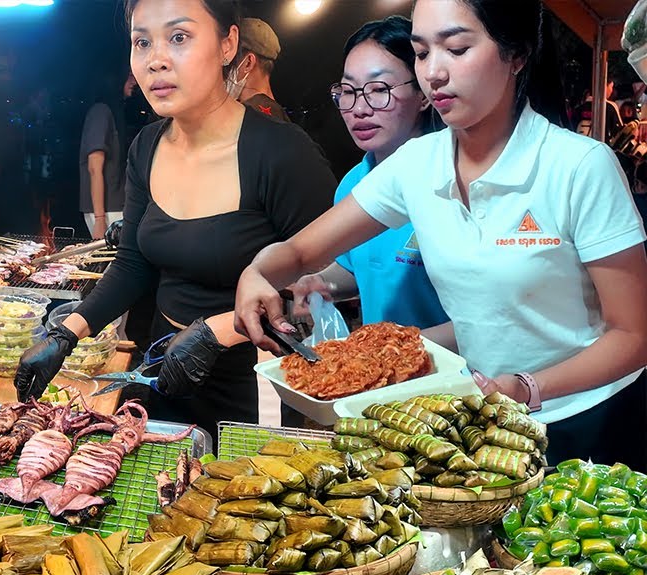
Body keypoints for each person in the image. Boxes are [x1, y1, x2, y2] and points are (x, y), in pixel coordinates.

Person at [235, 0, 647, 468]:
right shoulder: (417, 165)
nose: (434, 72)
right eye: (421, 52)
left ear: (516, 55)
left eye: (456, 48)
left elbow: (633, 335)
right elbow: (300, 251)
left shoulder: (578, 167)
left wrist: (530, 386)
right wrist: (256, 272)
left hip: (590, 421)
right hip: (487, 419)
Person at [15, 0, 336, 431]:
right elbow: (132, 265)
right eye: (142, 42)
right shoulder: (146, 147)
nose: (156, 60)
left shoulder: (282, 153)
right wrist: (65, 334)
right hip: (161, 369)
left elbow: (317, 287)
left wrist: (214, 333)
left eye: (179, 37)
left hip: (253, 382)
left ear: (228, 44)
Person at [289, 16, 450, 330]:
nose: (359, 108)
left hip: (457, 373)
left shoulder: (452, 180)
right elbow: (359, 267)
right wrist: (321, 283)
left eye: (379, 89)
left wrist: (395, 351)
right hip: (386, 373)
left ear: (423, 95)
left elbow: (492, 315)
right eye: (349, 90)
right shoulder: (353, 184)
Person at [79, 72, 132, 240]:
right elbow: (94, 167)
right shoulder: (101, 111)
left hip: (114, 208)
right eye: (129, 75)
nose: (135, 80)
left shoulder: (113, 112)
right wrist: (100, 219)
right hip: (108, 211)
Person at [230, 18, 290, 123]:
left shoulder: (244, 118)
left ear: (248, 63)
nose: (224, 71)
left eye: (229, 62)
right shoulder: (278, 114)